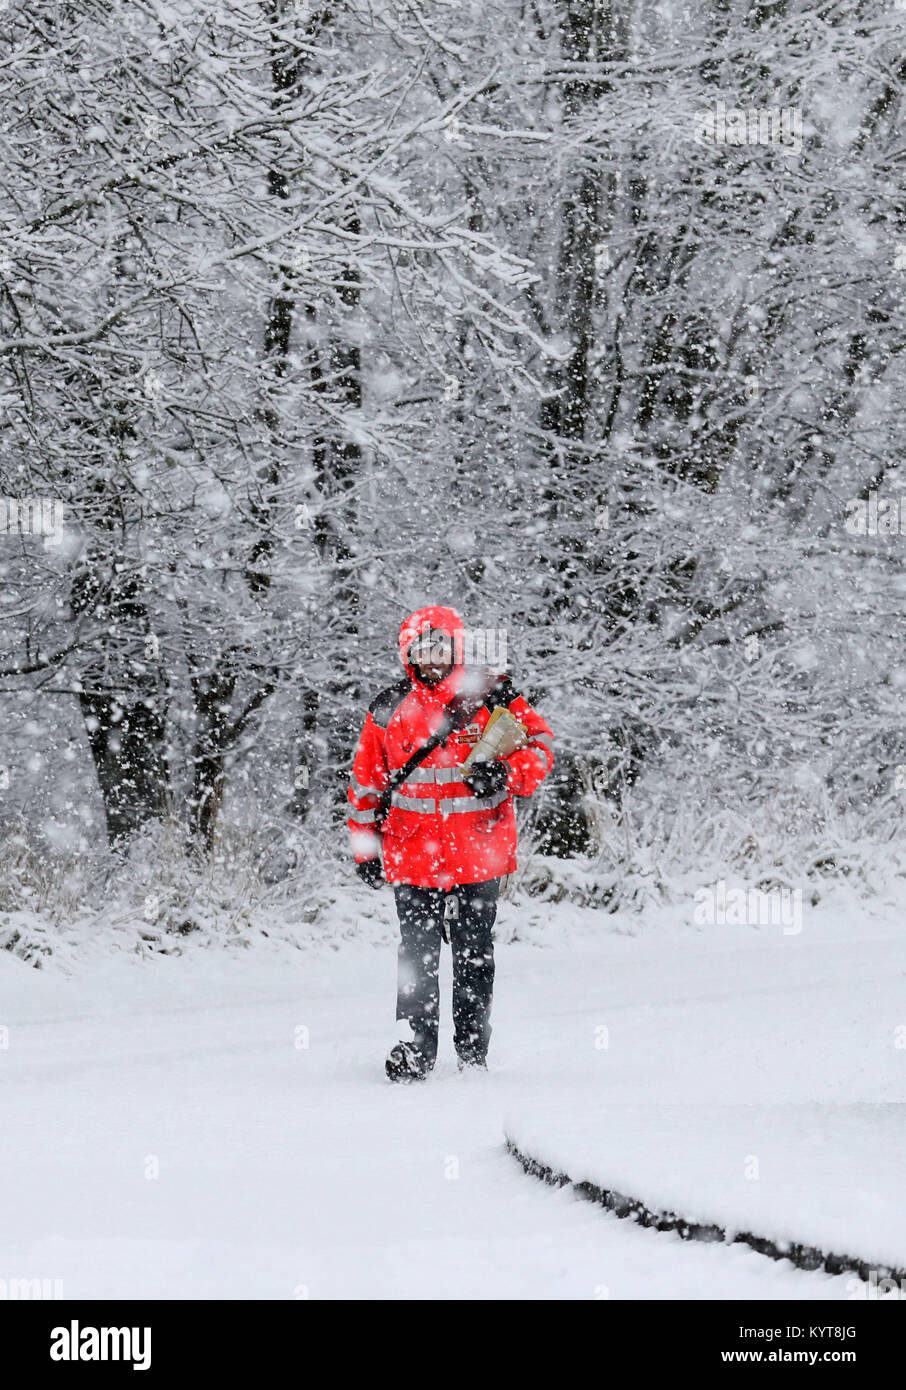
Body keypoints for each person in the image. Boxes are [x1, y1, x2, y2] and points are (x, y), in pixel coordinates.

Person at [347, 605, 554, 1082]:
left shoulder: (493, 696)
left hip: (478, 858)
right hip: (412, 858)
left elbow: (541, 749)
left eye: (441, 648)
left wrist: (506, 771)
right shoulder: (386, 709)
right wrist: (365, 850)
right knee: (415, 961)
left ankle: (472, 1055)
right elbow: (365, 787)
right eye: (422, 649)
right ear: (407, 655)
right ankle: (412, 1053)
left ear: (458, 649)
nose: (433, 658)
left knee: (474, 958)